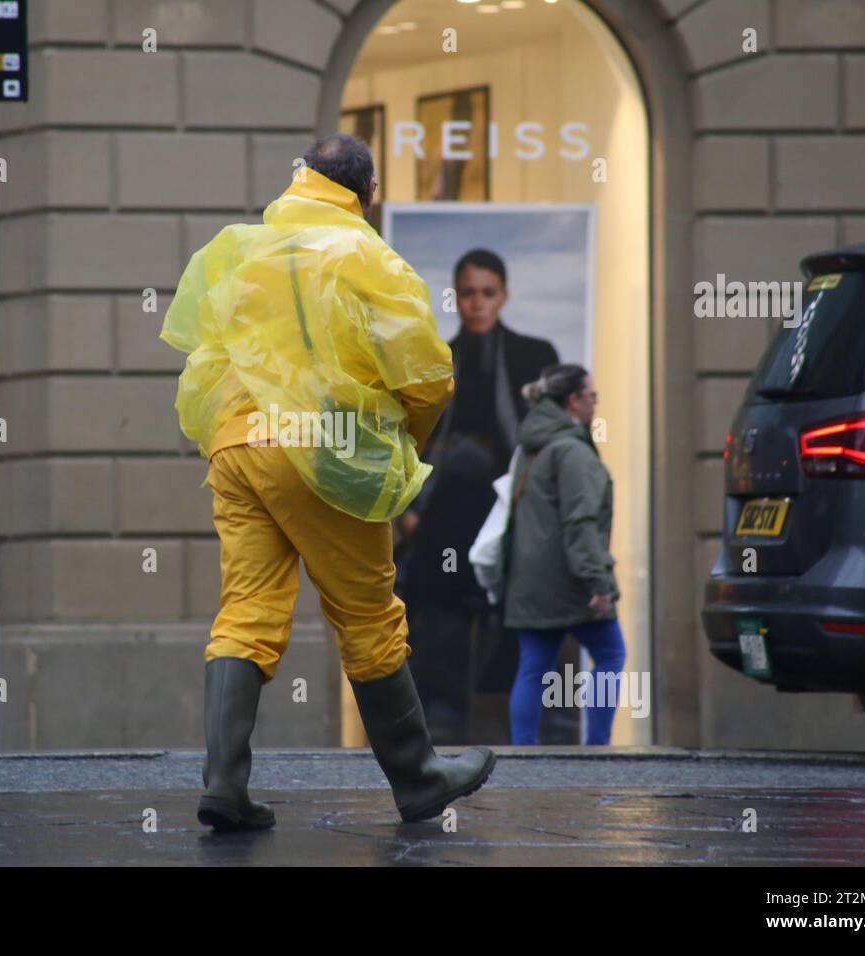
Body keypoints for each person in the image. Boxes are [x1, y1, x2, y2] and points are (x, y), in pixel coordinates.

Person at [162, 133, 496, 831]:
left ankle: (224, 784)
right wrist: (399, 444)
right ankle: (419, 777)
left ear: (300, 181)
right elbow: (428, 377)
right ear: (366, 192)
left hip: (235, 446)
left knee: (247, 610)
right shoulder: (367, 255)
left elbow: (209, 351)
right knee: (368, 615)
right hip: (323, 449)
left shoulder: (247, 248)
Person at [396, 249, 558, 742]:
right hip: (446, 511)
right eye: (468, 293)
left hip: (510, 507)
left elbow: (552, 434)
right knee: (440, 615)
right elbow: (411, 439)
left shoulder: (535, 356)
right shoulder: (440, 360)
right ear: (457, 297)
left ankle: (511, 726)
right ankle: (442, 727)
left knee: (512, 611)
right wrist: (409, 511)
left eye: (487, 292)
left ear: (503, 296)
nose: (477, 303)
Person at [503, 363, 625, 745]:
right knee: (610, 653)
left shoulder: (532, 445)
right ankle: (598, 746)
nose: (594, 403)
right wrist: (599, 581)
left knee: (533, 668)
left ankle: (523, 753)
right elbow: (580, 522)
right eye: (591, 396)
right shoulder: (572, 451)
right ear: (573, 400)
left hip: (530, 580)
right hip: (571, 580)